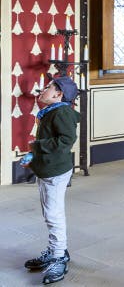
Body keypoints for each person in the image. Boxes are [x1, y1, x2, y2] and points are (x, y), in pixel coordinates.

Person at [20, 76, 80, 285]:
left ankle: (58, 256)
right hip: (47, 169)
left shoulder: (62, 112)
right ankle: (57, 250)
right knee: (50, 212)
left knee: (53, 215)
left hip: (55, 172)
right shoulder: (50, 111)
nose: (42, 90)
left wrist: (36, 148)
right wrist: (32, 156)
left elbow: (65, 140)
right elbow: (44, 141)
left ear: (58, 94)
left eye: (47, 87)